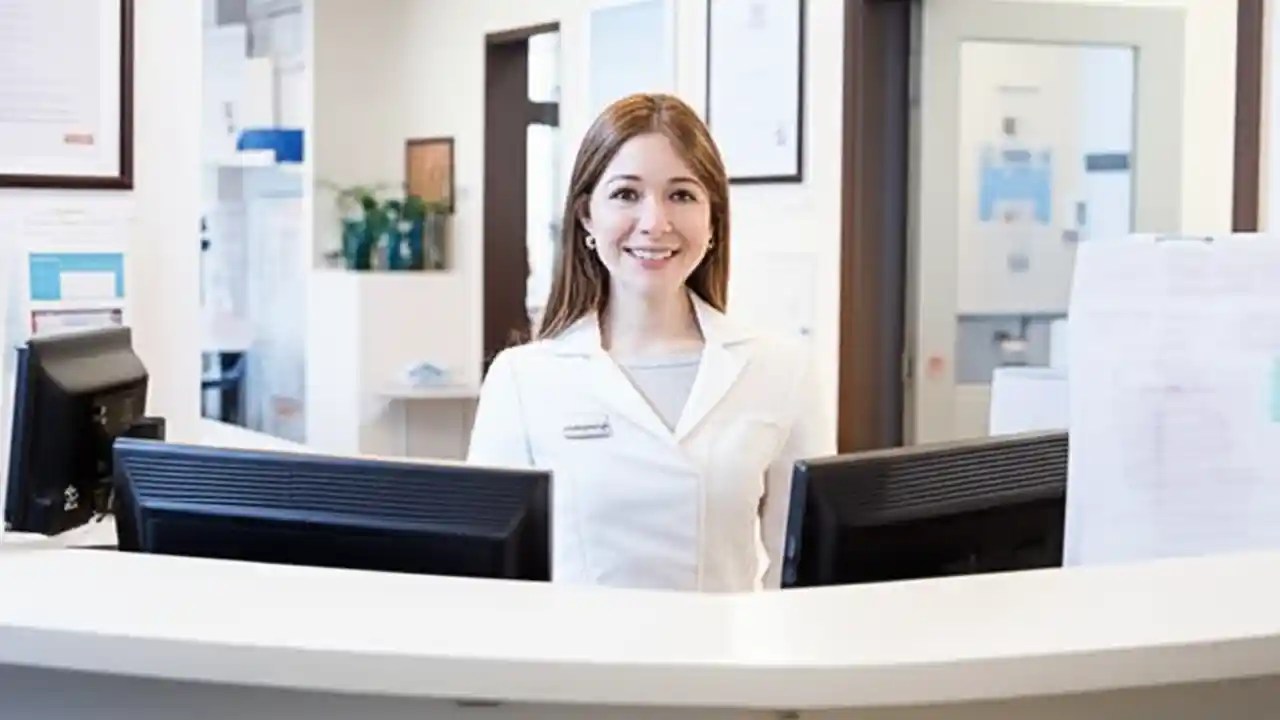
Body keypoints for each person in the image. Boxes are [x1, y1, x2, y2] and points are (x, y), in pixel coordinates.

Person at [467, 93, 832, 592]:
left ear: (713, 221)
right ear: (586, 217)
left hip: (725, 665)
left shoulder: (781, 371)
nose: (654, 223)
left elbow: (804, 583)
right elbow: (492, 587)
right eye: (626, 194)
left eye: (681, 195)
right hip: (576, 665)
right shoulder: (522, 379)